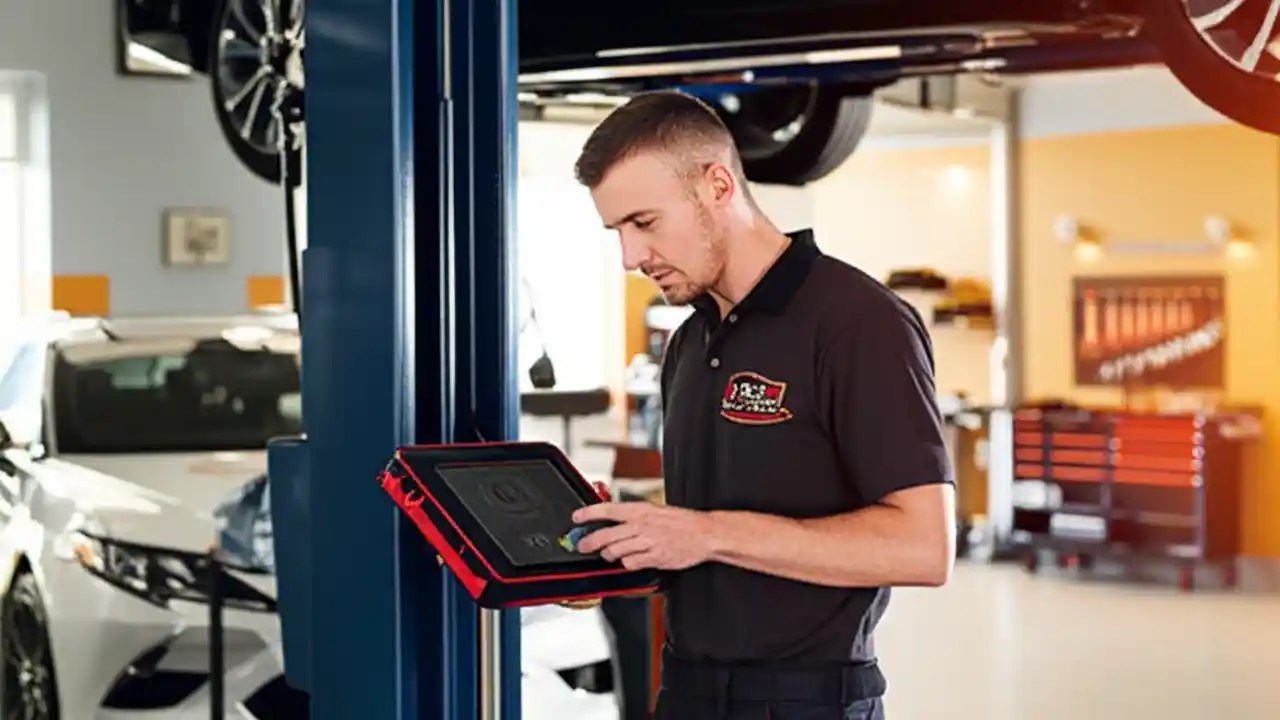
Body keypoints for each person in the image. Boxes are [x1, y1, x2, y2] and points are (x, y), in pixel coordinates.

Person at [568, 91, 956, 720]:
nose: (631, 257)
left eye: (644, 223)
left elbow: (923, 547)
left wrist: (704, 534)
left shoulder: (858, 321)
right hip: (686, 691)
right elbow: (714, 527)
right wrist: (630, 530)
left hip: (806, 700)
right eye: (617, 232)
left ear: (717, 185)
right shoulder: (690, 341)